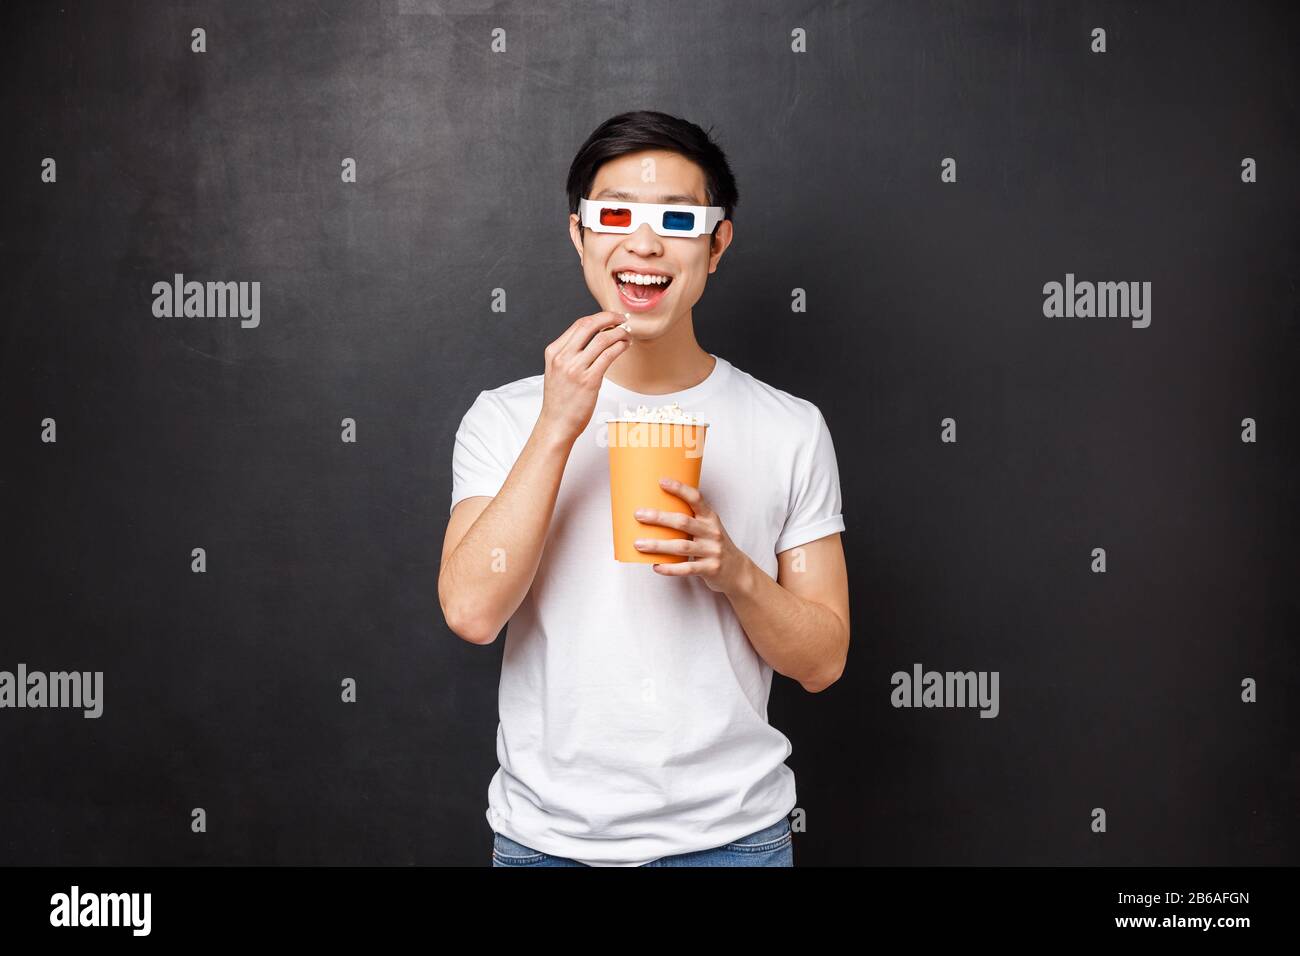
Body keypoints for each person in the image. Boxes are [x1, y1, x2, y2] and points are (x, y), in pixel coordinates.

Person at [439, 110, 850, 867]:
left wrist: (735, 573)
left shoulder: (790, 427)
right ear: (579, 236)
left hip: (735, 842)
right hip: (545, 844)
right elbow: (470, 612)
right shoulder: (505, 418)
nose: (644, 243)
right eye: (616, 214)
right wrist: (559, 425)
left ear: (717, 244)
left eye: (678, 219)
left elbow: (823, 661)